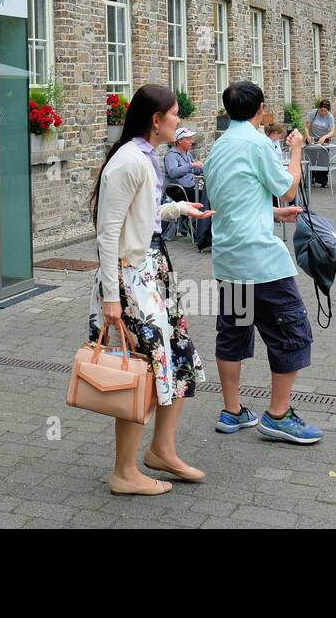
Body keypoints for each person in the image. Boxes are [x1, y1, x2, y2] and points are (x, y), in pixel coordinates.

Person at [88, 84, 214, 495]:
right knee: (137, 370)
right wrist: (110, 297)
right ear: (156, 120)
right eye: (175, 113)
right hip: (128, 280)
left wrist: (178, 208)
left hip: (152, 274)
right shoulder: (127, 162)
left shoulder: (144, 156)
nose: (180, 119)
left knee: (177, 358)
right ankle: (124, 472)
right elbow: (108, 235)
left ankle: (161, 449)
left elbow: (139, 216)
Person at [204, 80, 323, 445]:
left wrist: (270, 213)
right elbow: (288, 186)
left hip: (229, 260)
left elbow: (233, 202)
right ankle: (278, 415)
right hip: (261, 261)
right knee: (292, 333)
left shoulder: (218, 147)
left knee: (233, 333)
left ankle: (233, 410)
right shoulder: (257, 144)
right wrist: (298, 150)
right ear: (260, 109)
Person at [163, 127, 202, 199]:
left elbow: (193, 171)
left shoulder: (187, 153)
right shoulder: (171, 155)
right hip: (177, 189)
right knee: (203, 195)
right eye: (188, 139)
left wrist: (201, 167)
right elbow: (173, 173)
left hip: (190, 185)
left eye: (191, 139)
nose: (191, 141)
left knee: (209, 191)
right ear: (180, 141)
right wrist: (191, 165)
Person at [304, 100, 335, 186]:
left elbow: (332, 132)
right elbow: (306, 127)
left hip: (323, 139)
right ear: (318, 108)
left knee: (323, 158)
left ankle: (322, 180)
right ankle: (310, 179)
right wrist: (307, 136)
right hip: (312, 138)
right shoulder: (313, 113)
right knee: (310, 158)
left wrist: (325, 137)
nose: (323, 112)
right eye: (321, 110)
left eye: (325, 111)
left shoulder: (330, 117)